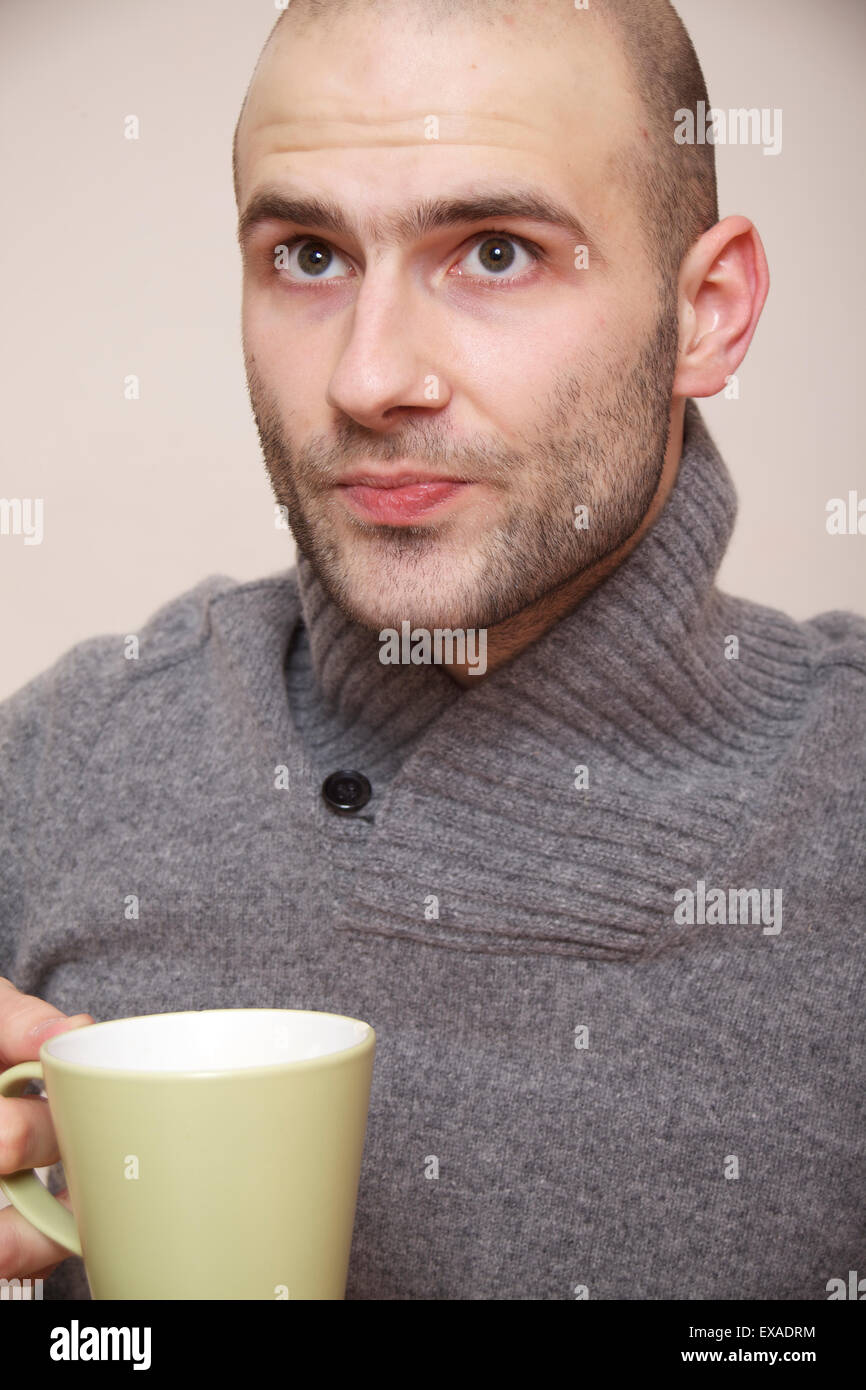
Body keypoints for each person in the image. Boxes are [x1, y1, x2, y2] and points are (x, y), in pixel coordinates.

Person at [1, 0, 863, 1301]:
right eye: (306, 255)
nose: (368, 377)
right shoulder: (64, 757)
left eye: (497, 252)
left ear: (709, 311)